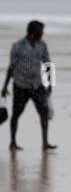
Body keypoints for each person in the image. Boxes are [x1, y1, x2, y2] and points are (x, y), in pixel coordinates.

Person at [4, 20, 57, 152]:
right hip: (21, 85)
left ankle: (45, 142)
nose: (43, 33)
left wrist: (49, 84)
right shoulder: (18, 46)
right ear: (33, 32)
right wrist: (5, 86)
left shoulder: (42, 45)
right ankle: (13, 142)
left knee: (44, 113)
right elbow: (11, 67)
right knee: (16, 114)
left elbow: (47, 64)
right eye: (41, 31)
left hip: (37, 85)